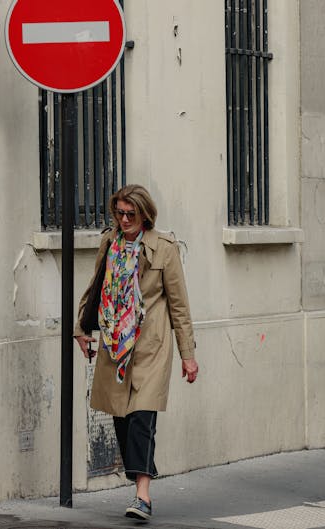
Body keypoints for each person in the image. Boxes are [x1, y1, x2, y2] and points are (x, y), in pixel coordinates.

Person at [74, 184, 198, 521]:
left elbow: (179, 305)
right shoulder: (109, 243)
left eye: (131, 214)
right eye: (120, 213)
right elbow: (96, 285)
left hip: (150, 346)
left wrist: (188, 354)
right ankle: (139, 472)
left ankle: (142, 495)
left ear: (145, 214)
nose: (124, 219)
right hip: (115, 344)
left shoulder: (165, 248)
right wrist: (81, 328)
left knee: (143, 417)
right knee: (122, 418)